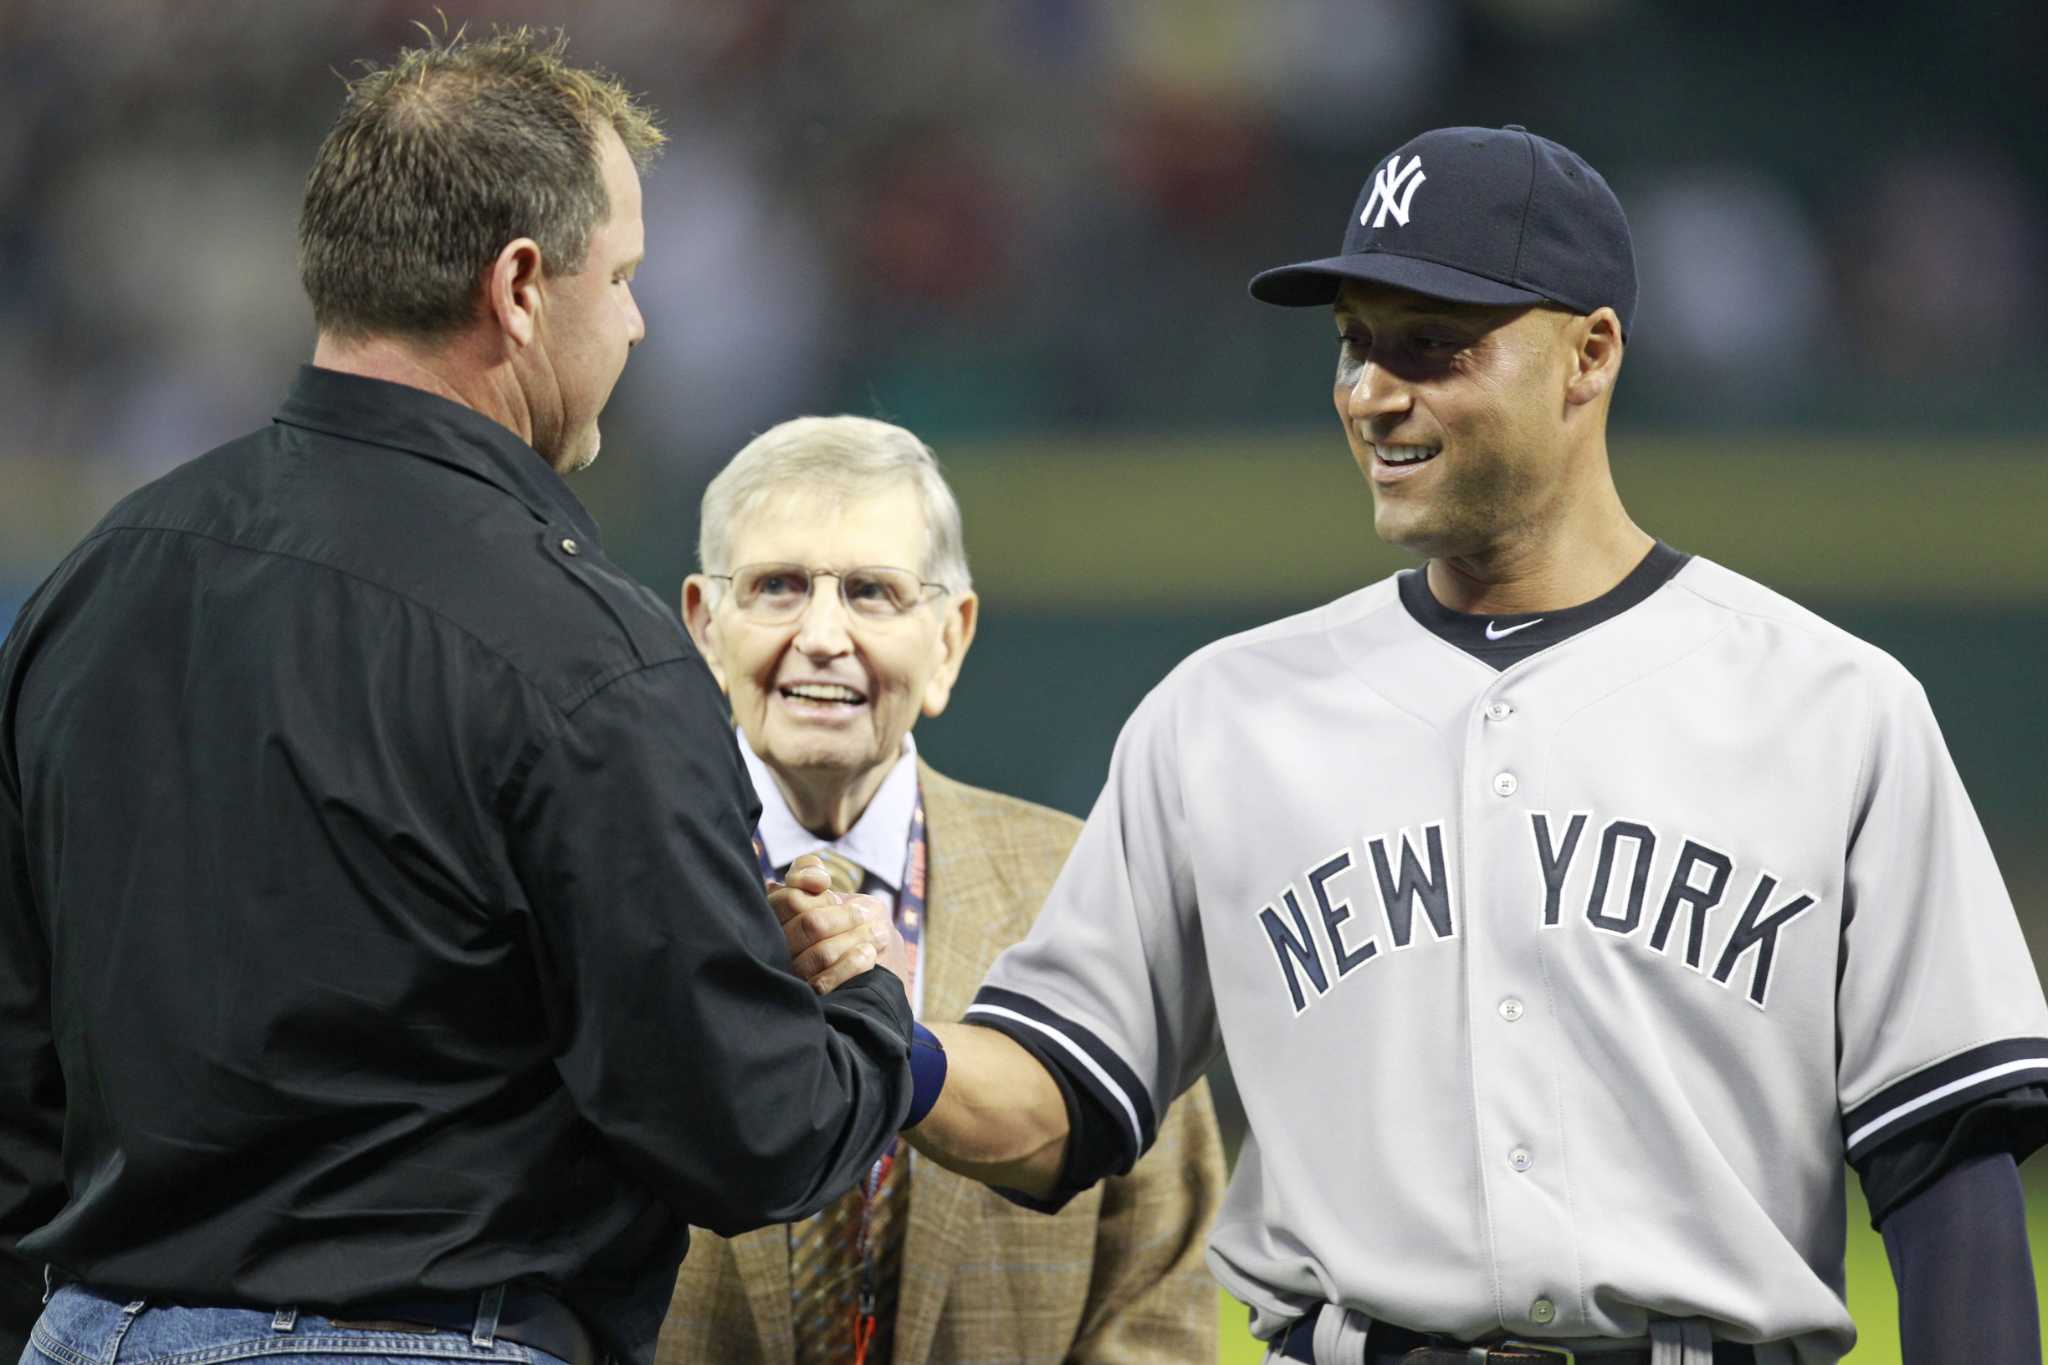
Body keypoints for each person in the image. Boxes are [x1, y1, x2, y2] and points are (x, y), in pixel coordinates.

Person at [795, 126, 2048, 1364]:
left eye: (1432, 346)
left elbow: (1945, 1162)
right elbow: (1061, 1097)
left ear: (1588, 355)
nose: (1371, 392)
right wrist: (884, 1044)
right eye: (1355, 343)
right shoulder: (1218, 716)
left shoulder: (1832, 708)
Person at [0, 28, 938, 1365]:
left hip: (89, 1330)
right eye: (621, 277)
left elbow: (19, 1086)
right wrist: (864, 1013)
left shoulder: (102, 578)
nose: (636, 320)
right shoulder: (580, 647)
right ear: (519, 288)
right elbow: (750, 1134)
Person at [662, 415, 1225, 1364]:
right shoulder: (613, 874)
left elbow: (1159, 1289)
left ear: (950, 639)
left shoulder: (1086, 882)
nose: (822, 636)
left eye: (872, 592)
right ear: (707, 627)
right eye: (778, 586)